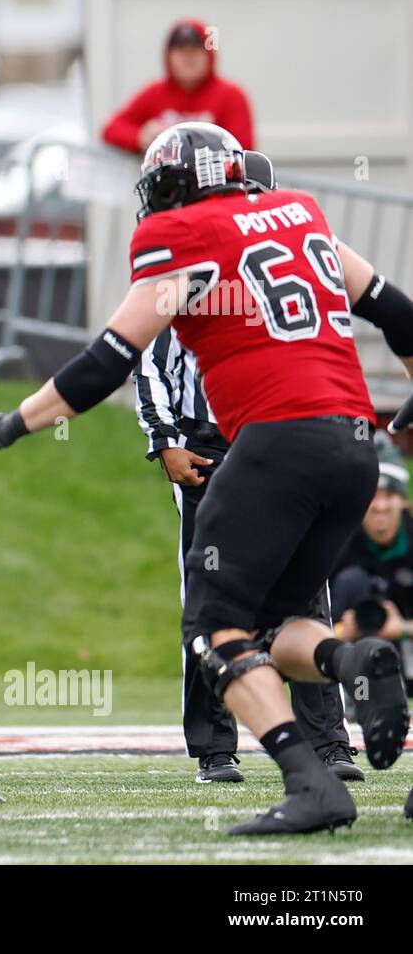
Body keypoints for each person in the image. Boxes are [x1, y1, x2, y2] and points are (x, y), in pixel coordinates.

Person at [0, 122, 413, 835]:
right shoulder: (299, 215)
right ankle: (354, 661)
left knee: (212, 628)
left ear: (175, 190)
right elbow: (398, 314)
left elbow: (107, 360)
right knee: (275, 620)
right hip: (353, 446)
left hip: (276, 443)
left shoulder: (184, 235)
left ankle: (311, 785)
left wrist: (14, 423)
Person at [137, 333, 360, 782]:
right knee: (210, 598)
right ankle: (214, 748)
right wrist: (164, 440)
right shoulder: (185, 281)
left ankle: (329, 741)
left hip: (285, 437)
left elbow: (320, 358)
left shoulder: (279, 277)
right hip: (209, 448)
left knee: (306, 590)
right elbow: (149, 361)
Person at [331, 439, 413, 692]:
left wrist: (401, 628)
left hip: (407, 646)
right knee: (351, 581)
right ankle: (344, 691)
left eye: (389, 495)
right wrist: (344, 631)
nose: (380, 506)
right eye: (372, 496)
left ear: (403, 501)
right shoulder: (336, 545)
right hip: (351, 648)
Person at [102, 18, 254, 155]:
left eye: (196, 49)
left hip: (217, 181)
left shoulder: (231, 96)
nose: (188, 56)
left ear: (210, 55)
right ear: (169, 56)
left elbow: (243, 149)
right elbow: (111, 129)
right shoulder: (154, 93)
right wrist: (140, 136)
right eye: (181, 49)